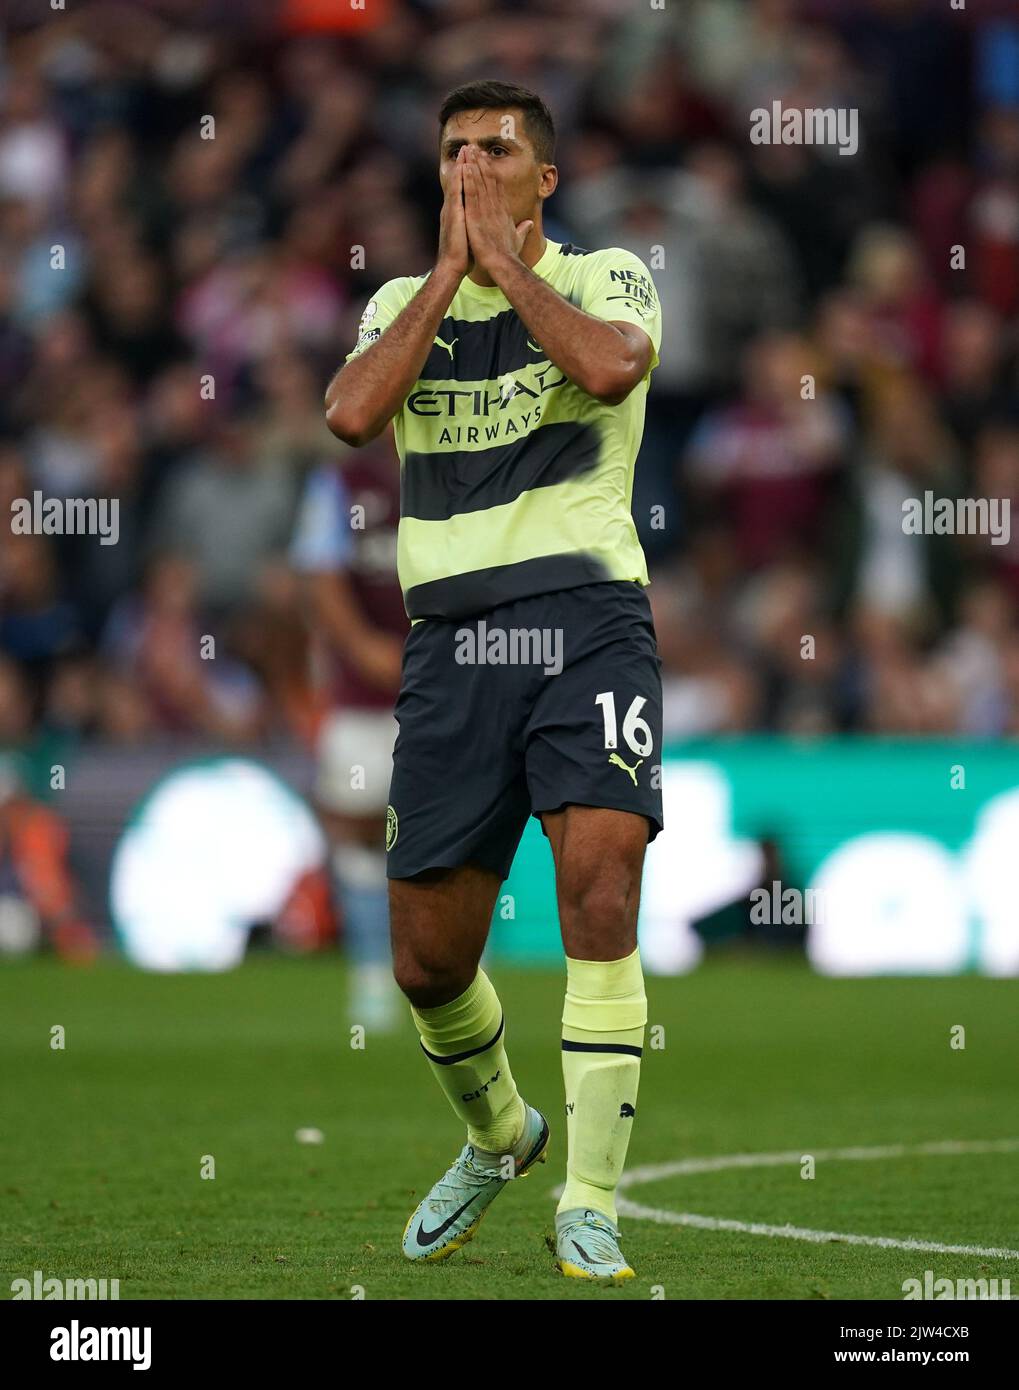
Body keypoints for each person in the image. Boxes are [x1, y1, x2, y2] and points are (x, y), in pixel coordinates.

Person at [324, 79, 664, 1282]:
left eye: (495, 150)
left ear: (544, 180)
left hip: (585, 625)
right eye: (454, 150)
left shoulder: (604, 273)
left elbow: (614, 370)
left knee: (600, 885)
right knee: (425, 960)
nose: (470, 166)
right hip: (452, 645)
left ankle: (590, 1198)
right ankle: (498, 1134)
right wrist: (444, 275)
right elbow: (350, 412)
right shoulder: (392, 304)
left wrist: (507, 271)